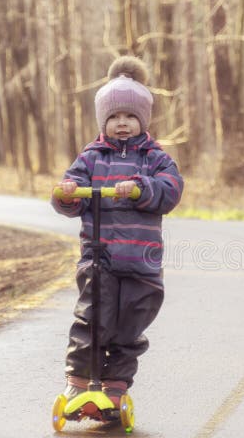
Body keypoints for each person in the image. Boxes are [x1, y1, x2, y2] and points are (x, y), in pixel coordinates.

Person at [51, 55, 184, 405]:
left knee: (130, 326)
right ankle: (79, 380)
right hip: (101, 257)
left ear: (143, 119)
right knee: (92, 318)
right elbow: (73, 193)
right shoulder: (91, 158)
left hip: (142, 262)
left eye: (129, 116)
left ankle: (116, 385)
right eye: (113, 117)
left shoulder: (156, 158)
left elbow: (171, 190)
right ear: (102, 121)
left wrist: (142, 187)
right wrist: (66, 194)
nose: (122, 124)